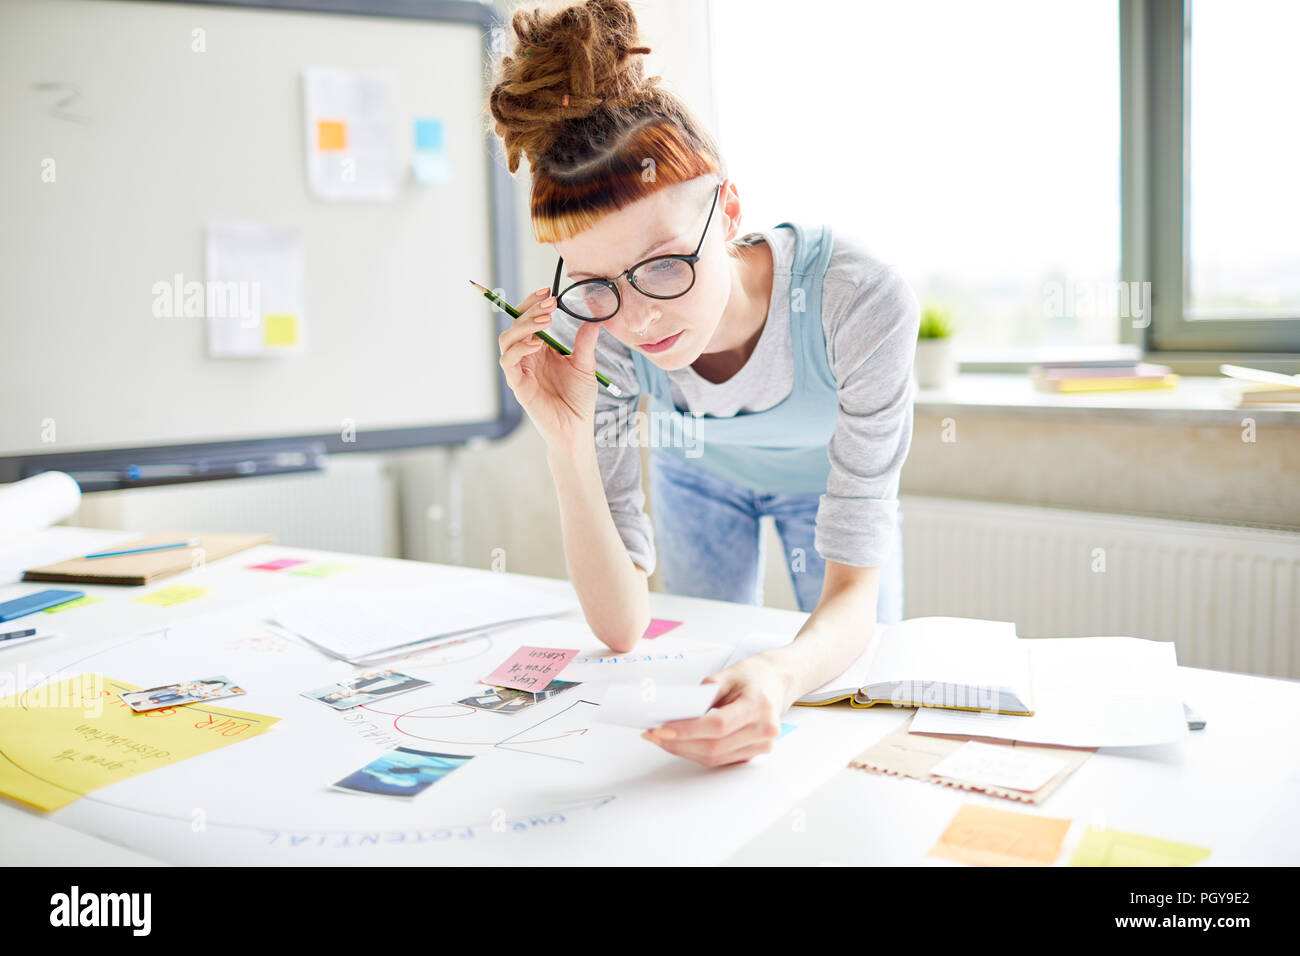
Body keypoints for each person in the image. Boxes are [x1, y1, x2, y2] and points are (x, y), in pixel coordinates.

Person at [488, 0, 918, 767]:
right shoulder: (602, 333)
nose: (641, 319)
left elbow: (853, 602)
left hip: (820, 484)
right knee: (702, 661)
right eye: (595, 282)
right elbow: (622, 627)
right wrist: (565, 443)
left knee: (853, 691)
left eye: (662, 265)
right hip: (698, 476)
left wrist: (779, 676)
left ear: (728, 211)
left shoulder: (860, 300)